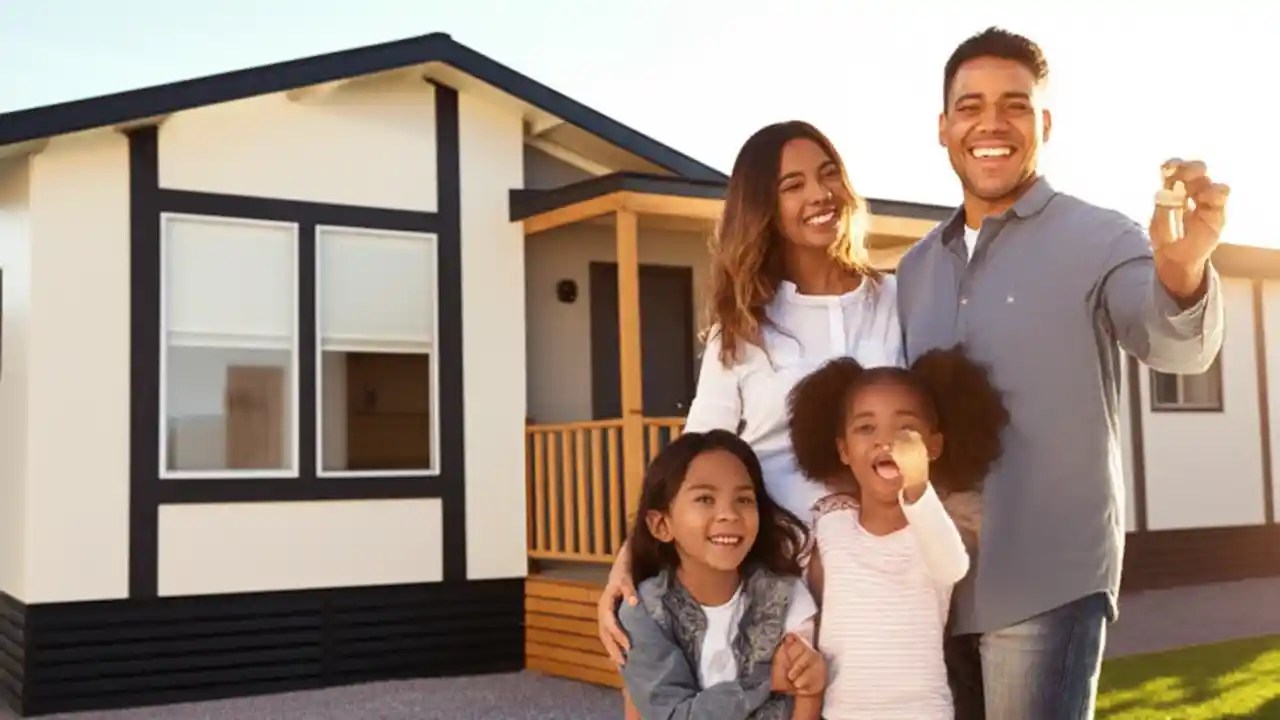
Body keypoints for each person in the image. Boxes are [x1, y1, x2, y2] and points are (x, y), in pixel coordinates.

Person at [896, 26, 1229, 718]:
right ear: (942, 127)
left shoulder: (1102, 237)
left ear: (1043, 124)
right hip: (932, 587)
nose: (992, 123)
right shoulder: (913, 270)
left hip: (1049, 582)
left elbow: (1175, 346)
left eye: (1015, 105)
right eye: (971, 106)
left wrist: (1182, 271)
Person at [597, 121, 905, 664]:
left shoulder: (894, 299)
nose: (818, 194)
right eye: (793, 185)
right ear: (763, 207)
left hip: (879, 562)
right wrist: (630, 556)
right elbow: (696, 448)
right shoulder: (743, 325)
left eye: (828, 175)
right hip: (774, 569)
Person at [786, 346, 1009, 719]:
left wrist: (918, 490)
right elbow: (802, 601)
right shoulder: (829, 525)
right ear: (843, 449)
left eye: (905, 428)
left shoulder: (935, 528)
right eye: (865, 427)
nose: (884, 440)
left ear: (933, 446)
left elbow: (952, 567)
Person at [616, 429, 827, 720]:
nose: (729, 514)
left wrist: (812, 684)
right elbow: (667, 714)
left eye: (743, 499)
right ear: (662, 525)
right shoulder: (644, 613)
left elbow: (804, 701)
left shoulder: (788, 598)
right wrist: (764, 683)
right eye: (705, 499)